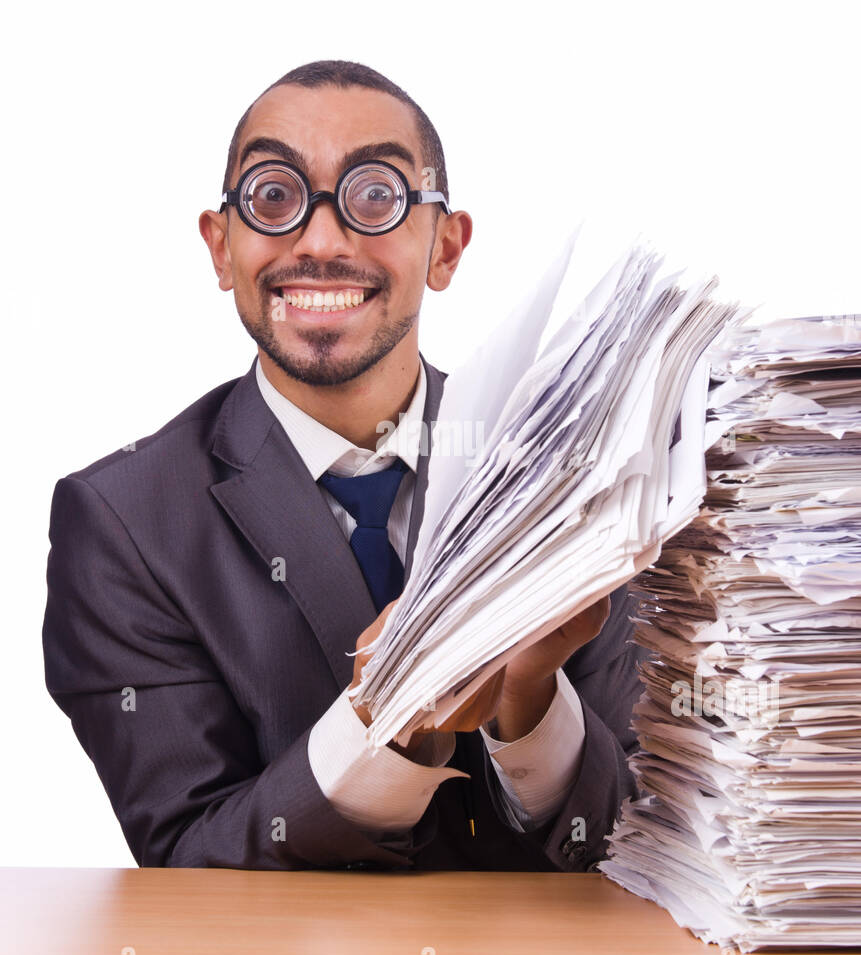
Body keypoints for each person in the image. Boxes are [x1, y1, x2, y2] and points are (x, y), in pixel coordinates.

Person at [41, 58, 644, 872]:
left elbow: (660, 843)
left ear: (445, 246)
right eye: (274, 197)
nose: (320, 242)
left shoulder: (581, 475)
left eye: (374, 197)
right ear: (222, 249)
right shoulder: (121, 524)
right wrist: (382, 725)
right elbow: (188, 867)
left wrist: (530, 703)